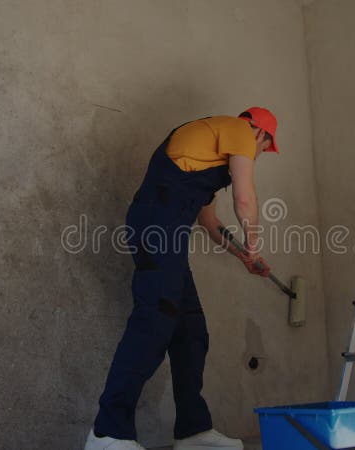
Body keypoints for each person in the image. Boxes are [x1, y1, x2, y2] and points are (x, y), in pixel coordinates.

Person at [85, 107, 280, 450]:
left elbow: (209, 222)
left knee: (190, 329)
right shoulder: (239, 131)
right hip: (155, 225)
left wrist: (244, 258)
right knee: (155, 320)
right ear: (260, 134)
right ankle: (108, 432)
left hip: (167, 234)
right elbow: (245, 199)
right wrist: (253, 244)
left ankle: (193, 432)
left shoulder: (205, 157)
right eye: (265, 148)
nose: (259, 155)